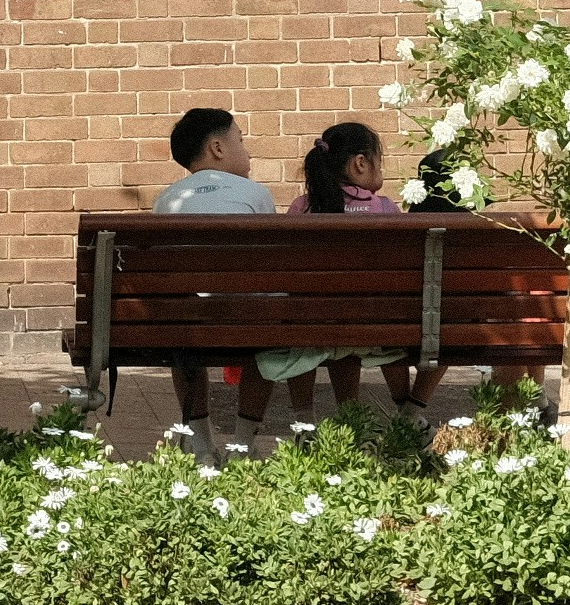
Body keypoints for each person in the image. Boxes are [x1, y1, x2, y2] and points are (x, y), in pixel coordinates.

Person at [255, 121, 436, 416]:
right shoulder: (385, 208)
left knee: (316, 325)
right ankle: (404, 411)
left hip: (312, 327)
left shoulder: (302, 208)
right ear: (361, 163)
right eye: (380, 160)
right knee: (362, 326)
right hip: (374, 327)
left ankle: (304, 419)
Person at [150, 105, 279, 430]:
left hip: (189, 324)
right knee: (266, 339)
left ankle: (201, 442)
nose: (247, 151)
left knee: (181, 331)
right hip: (251, 320)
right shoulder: (257, 193)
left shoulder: (167, 200)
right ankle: (244, 443)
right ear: (218, 148)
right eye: (241, 140)